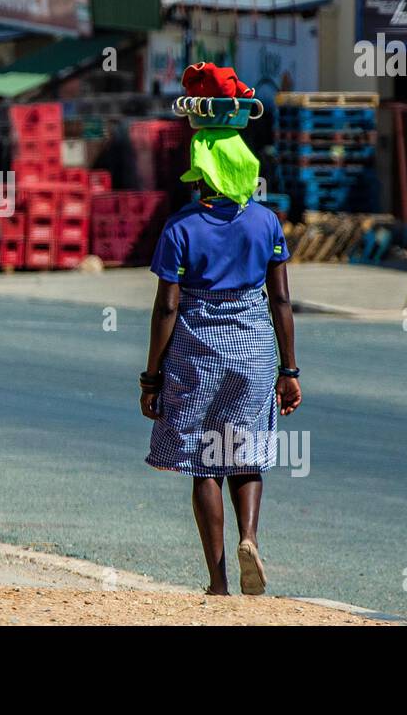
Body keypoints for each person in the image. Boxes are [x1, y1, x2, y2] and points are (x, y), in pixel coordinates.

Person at [139, 107, 301, 597]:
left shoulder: (181, 227)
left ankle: (217, 581)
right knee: (244, 454)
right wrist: (288, 369)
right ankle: (250, 536)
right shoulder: (267, 223)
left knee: (206, 463)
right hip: (254, 351)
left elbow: (167, 307)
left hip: (198, 355)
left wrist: (151, 376)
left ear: (203, 175)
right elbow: (282, 300)